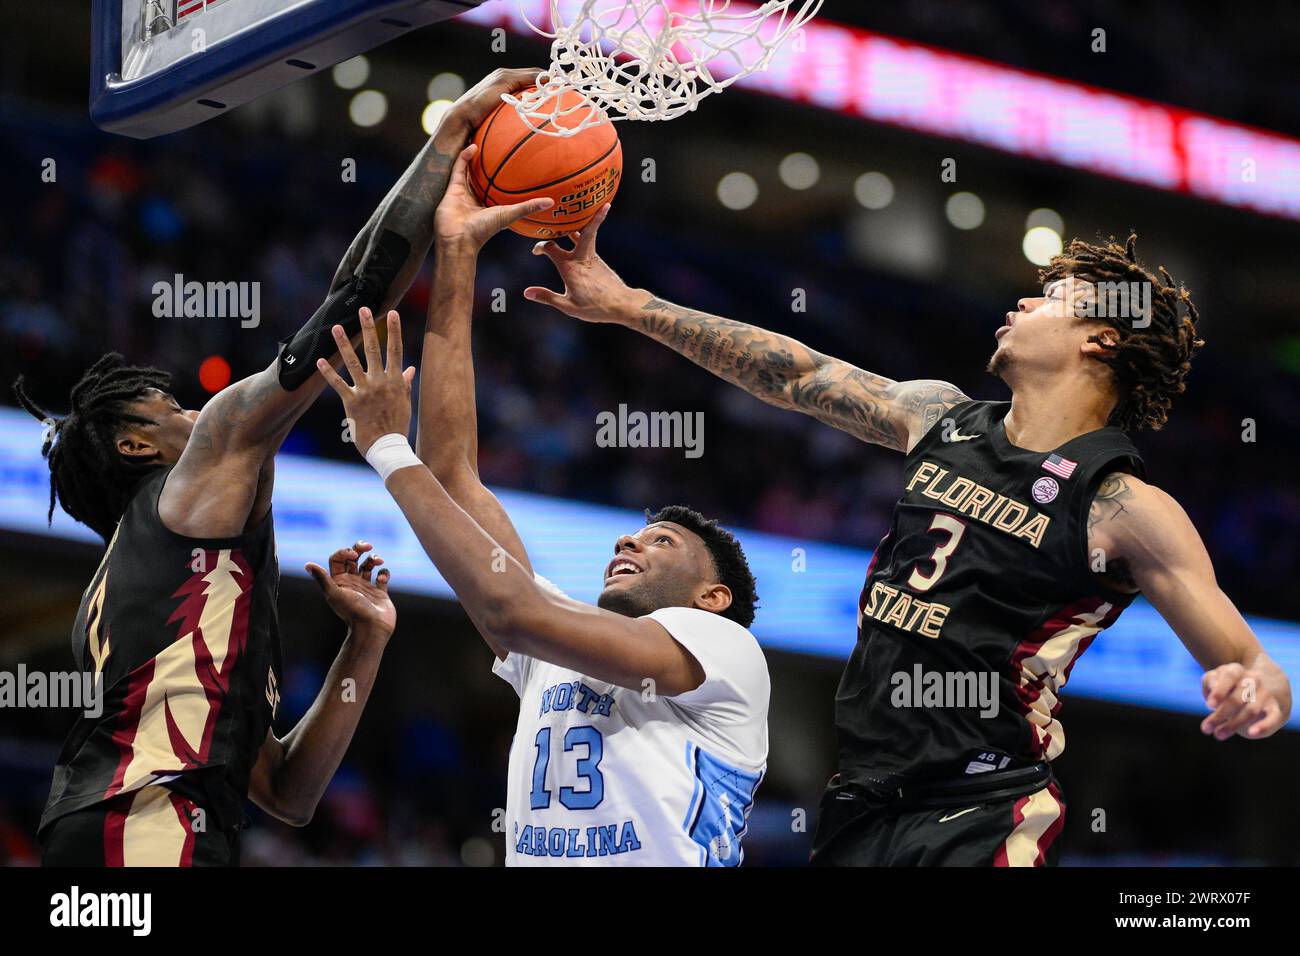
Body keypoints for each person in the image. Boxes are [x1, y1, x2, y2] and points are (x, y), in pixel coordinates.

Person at [523, 208, 1292, 866]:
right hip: (863, 798)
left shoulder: (1122, 503)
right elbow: (792, 374)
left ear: (1102, 341)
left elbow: (1247, 653)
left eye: (1051, 298)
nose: (1022, 301)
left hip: (986, 801)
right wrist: (631, 305)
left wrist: (1252, 680)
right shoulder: (941, 417)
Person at [17, 68, 542, 866]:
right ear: (134, 448)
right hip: (143, 826)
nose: (195, 409)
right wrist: (444, 143)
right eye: (168, 408)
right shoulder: (196, 476)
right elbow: (352, 300)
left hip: (146, 826)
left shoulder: (173, 592)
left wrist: (364, 643)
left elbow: (288, 794)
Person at [314, 152, 770, 864]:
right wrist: (459, 255)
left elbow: (510, 612)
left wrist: (383, 451)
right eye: (639, 530)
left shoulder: (725, 649)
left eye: (662, 542)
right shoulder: (558, 642)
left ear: (712, 596)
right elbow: (454, 475)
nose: (632, 540)